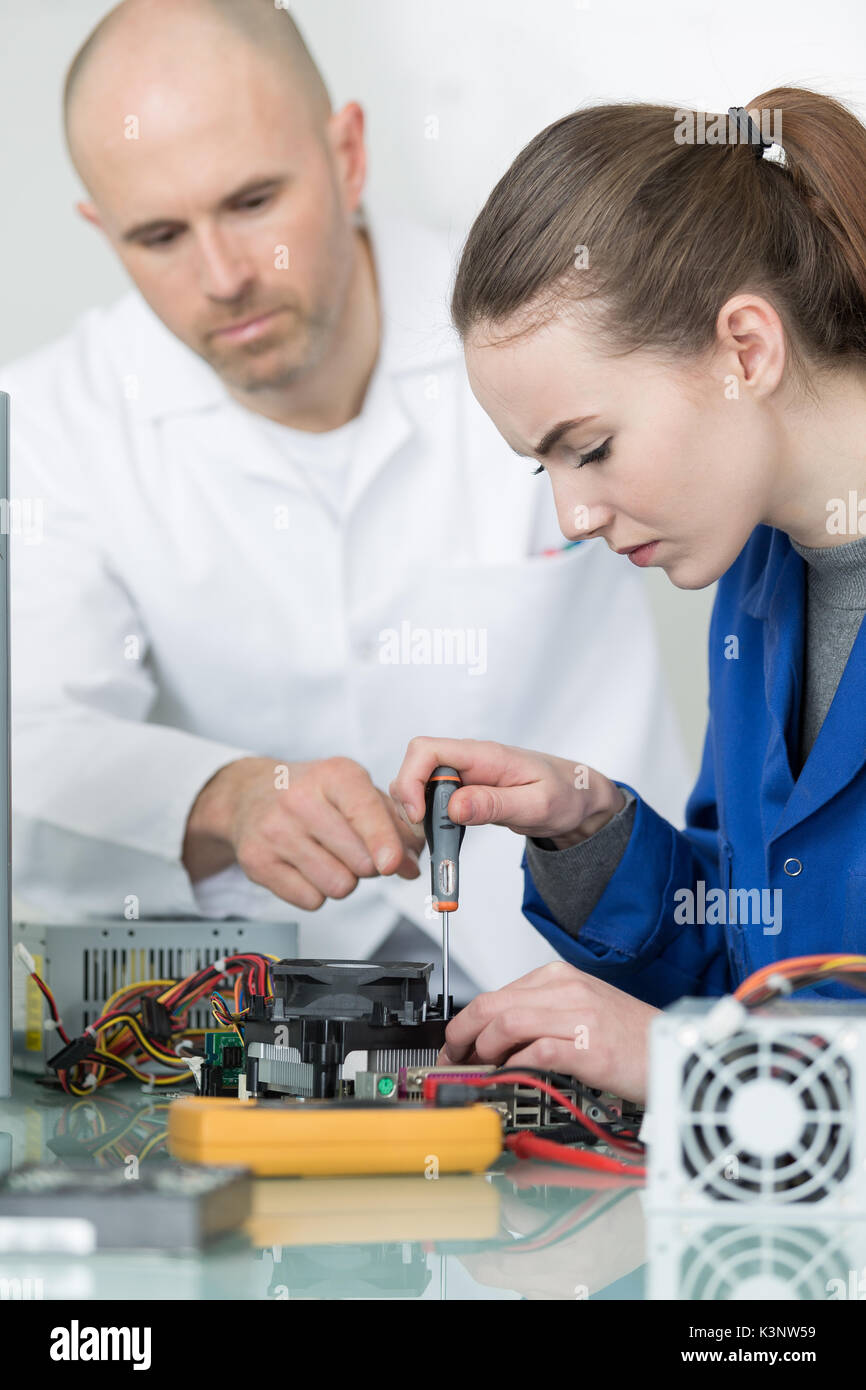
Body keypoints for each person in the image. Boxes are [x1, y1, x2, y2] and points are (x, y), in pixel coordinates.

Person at [2, 0, 691, 997]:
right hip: (288, 1030)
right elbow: (32, 739)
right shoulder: (50, 424)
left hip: (613, 990)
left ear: (348, 153)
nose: (224, 275)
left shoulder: (548, 328)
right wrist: (219, 797)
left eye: (253, 202)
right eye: (157, 234)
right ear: (99, 231)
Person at [391, 87, 866, 1096]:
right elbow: (766, 972)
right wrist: (585, 830)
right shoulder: (758, 577)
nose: (572, 516)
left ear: (745, 349)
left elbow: (745, 1042)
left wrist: (684, 1061)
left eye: (591, 448)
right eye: (544, 468)